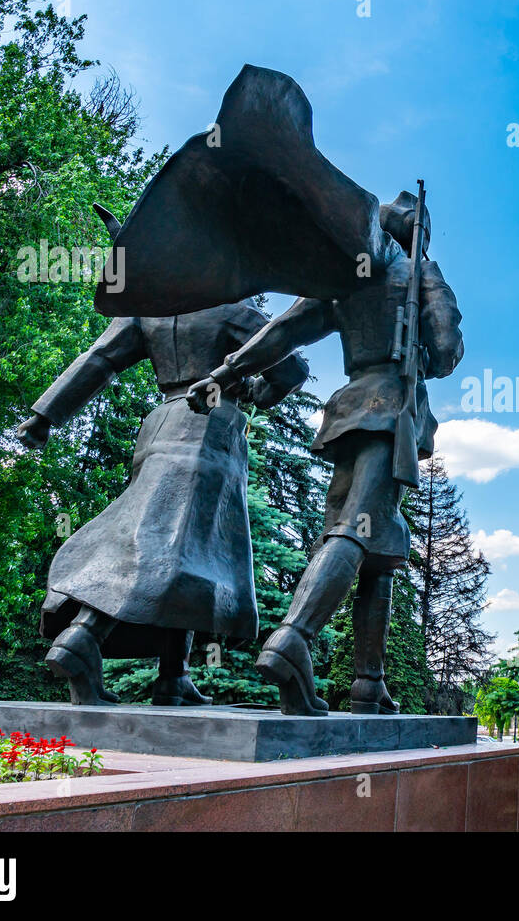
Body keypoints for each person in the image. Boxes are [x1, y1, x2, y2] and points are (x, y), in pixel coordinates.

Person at [188, 190, 463, 716]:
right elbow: (447, 351)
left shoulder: (344, 275)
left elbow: (283, 332)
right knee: (358, 528)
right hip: (393, 408)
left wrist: (225, 373)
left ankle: (368, 683)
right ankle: (292, 639)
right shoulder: (419, 272)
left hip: (351, 408)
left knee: (379, 544)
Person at [18, 209, 308, 706]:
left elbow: (97, 361)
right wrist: (257, 390)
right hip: (214, 428)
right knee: (171, 546)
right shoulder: (235, 312)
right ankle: (83, 635)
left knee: (182, 550)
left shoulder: (149, 312)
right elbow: (292, 368)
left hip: (160, 424)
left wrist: (46, 416)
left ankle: (174, 675)